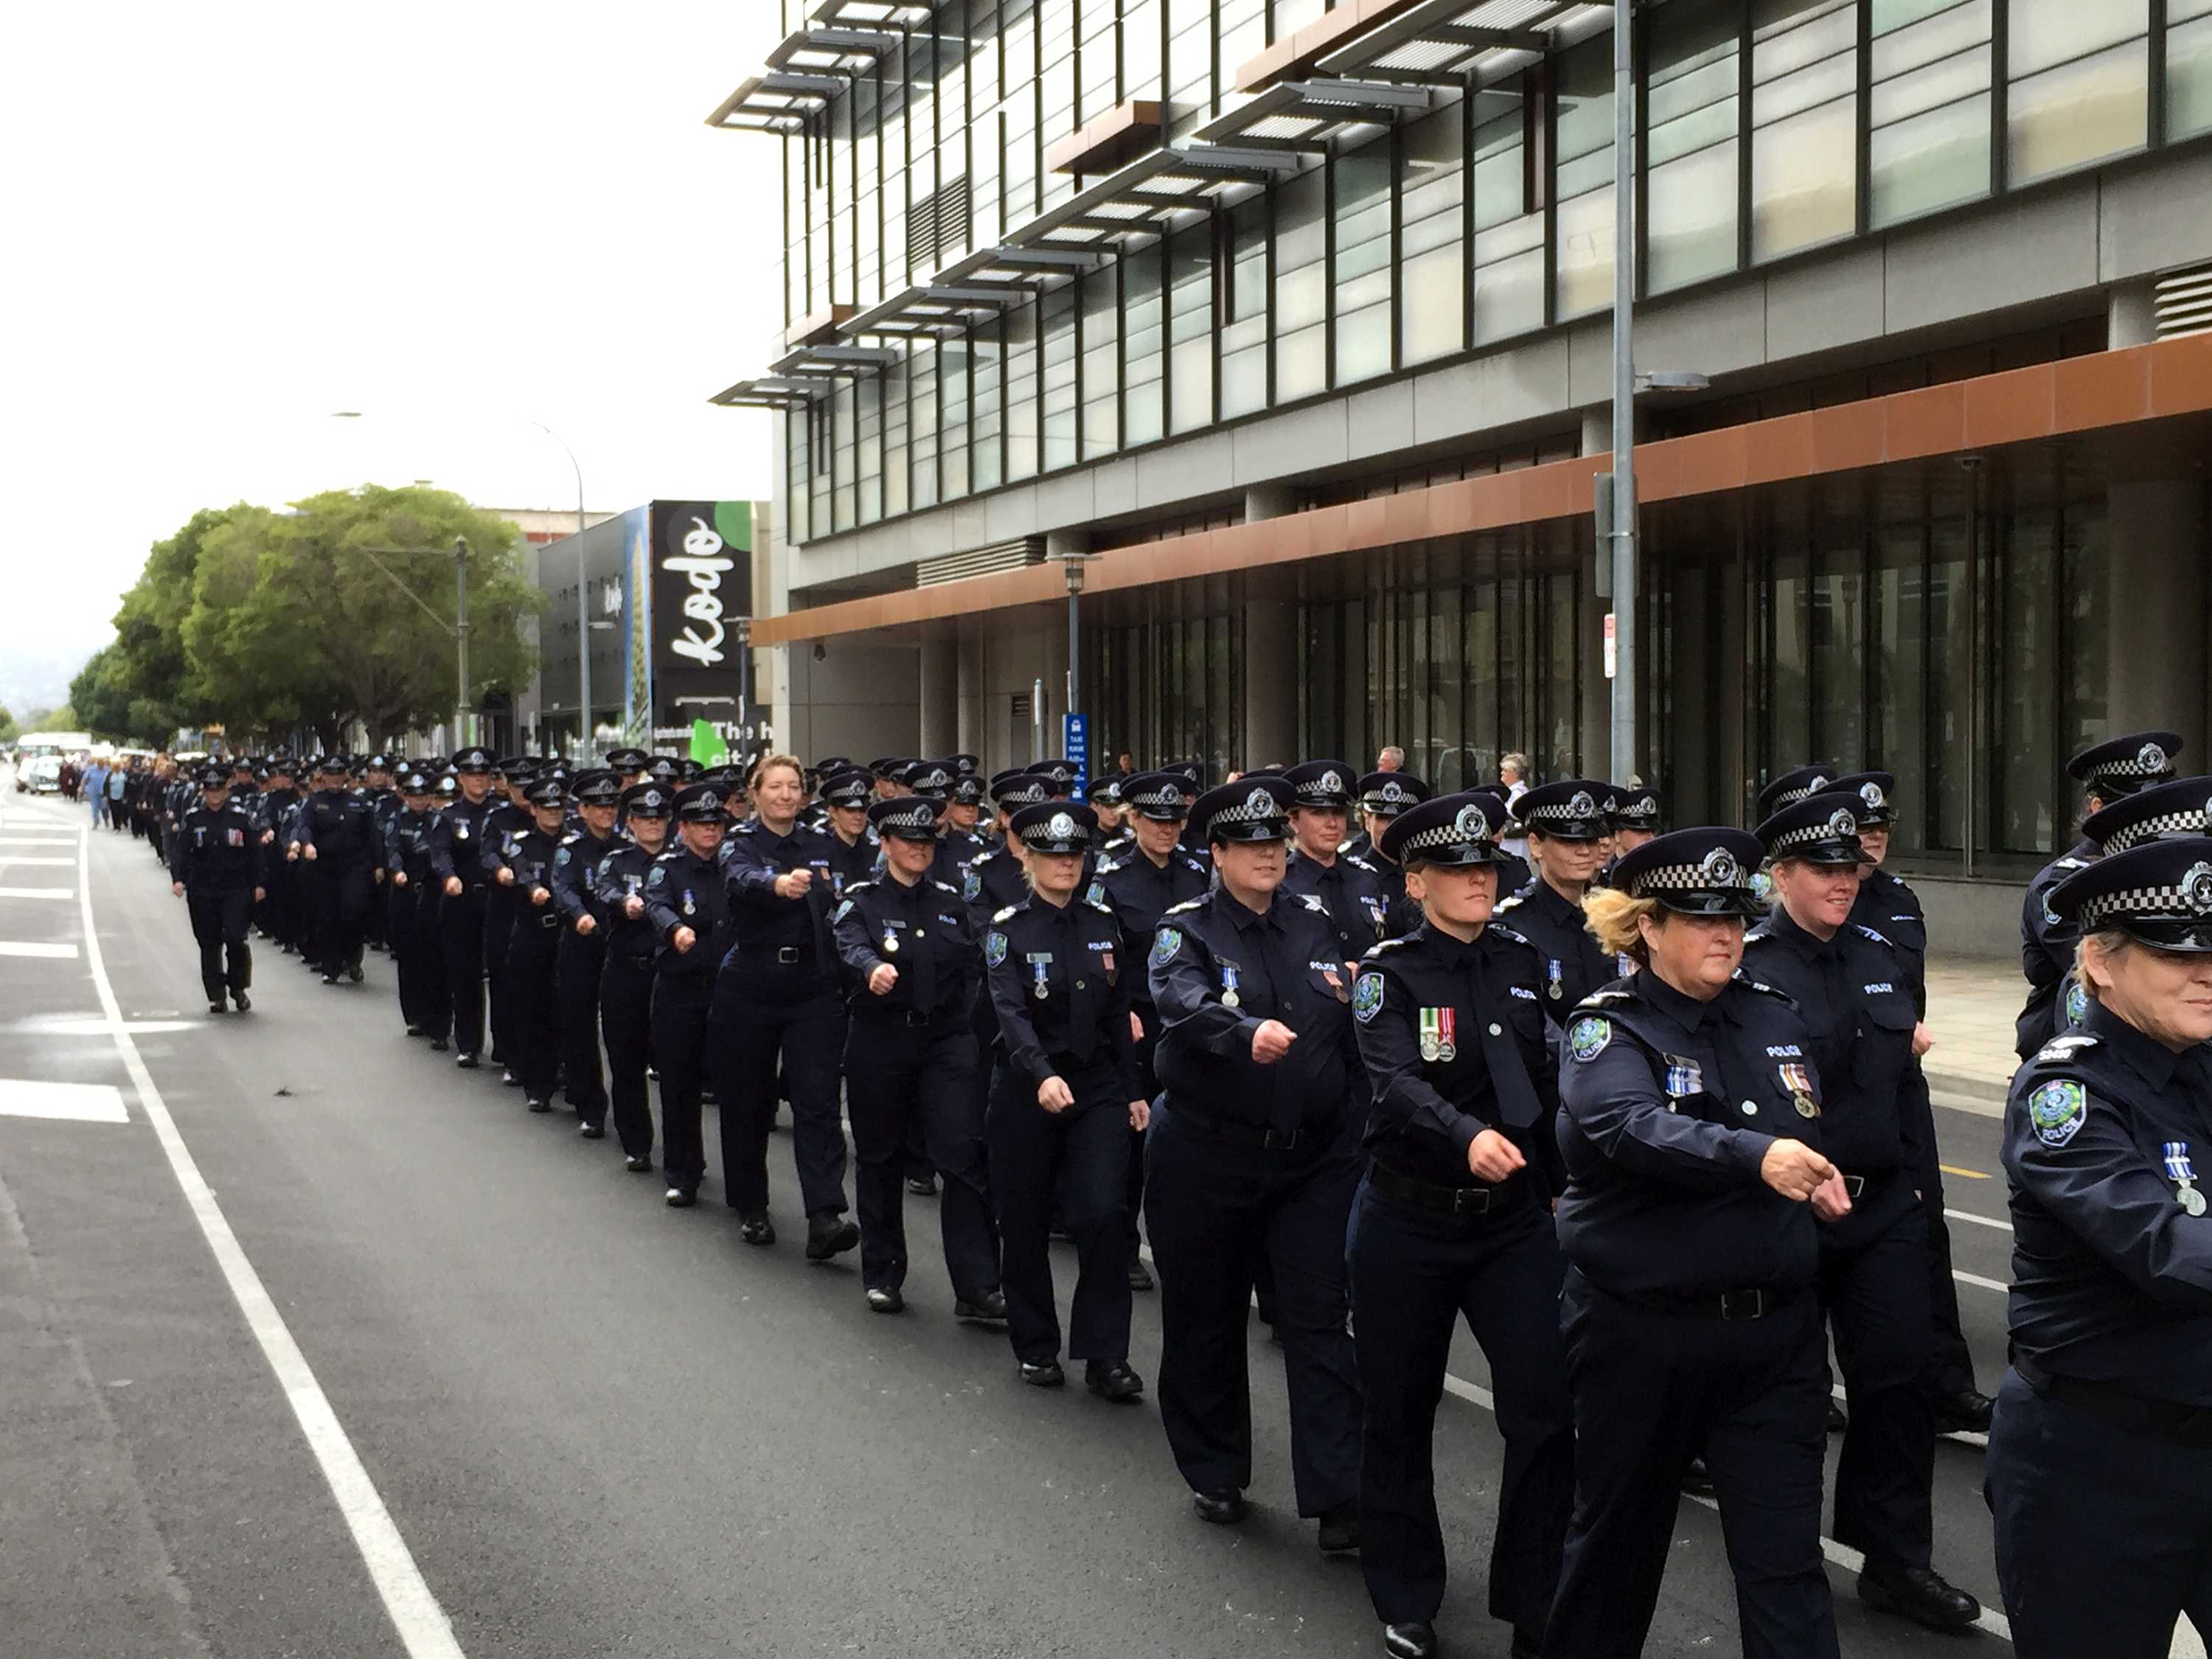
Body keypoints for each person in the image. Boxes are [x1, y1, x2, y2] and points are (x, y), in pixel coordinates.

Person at [1545, 827, 1847, 1659]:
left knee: (1786, 1567)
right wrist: (1762, 1160)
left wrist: (1818, 1176)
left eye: (1736, 918)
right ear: (1647, 927)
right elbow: (1630, 1127)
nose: (1726, 934)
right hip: (1645, 1337)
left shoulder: (1774, 1017)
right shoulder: (1609, 1030)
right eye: (1700, 919)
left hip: (1773, 1341)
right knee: (1617, 1552)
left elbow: (1804, 1126)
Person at [1744, 793, 1980, 1630]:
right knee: (1791, 1392)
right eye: (1822, 869)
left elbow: (1899, 1090)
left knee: (1899, 1379)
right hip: (1788, 1211)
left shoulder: (1878, 954)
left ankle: (1895, 1560)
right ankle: (1787, 1557)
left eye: (1850, 868)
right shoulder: (1745, 966)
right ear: (1780, 875)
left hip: (1882, 1208)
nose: (1842, 883)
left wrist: (1917, 1187)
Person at [1349, 791, 1573, 1659]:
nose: (1479, 881)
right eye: (1459, 870)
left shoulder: (1521, 961)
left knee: (1548, 1410)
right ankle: (1406, 1592)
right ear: (1418, 882)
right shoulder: (1389, 973)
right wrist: (1465, 1134)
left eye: (1487, 868)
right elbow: (1396, 1081)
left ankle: (1535, 1594)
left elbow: (1549, 1081)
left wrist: (1560, 1182)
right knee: (1399, 1412)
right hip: (1409, 1219)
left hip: (1512, 1222)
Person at [1986, 835, 2212, 1658]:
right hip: (2098, 1467)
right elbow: (2162, 1245)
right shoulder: (2067, 1094)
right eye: (2175, 953)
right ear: (2101, 961)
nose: (2207, 970)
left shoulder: (2204, 1064)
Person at [1145, 775, 1364, 1549]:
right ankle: (1216, 1469)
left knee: (1317, 1322)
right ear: (1218, 853)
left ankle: (1340, 1497)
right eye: (1252, 845)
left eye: (1276, 842)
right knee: (1205, 1315)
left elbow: (1345, 1008)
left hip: (1308, 1161)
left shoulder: (1313, 921)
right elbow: (1178, 1000)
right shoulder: (1187, 930)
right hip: (1207, 1154)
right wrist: (1244, 1035)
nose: (1269, 855)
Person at [982, 801, 1147, 1397]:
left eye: (1074, 855)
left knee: (1103, 1214)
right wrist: (1040, 1073)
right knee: (1023, 1219)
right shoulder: (1007, 930)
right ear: (1028, 856)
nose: (1065, 866)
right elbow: (1011, 1013)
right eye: (1053, 855)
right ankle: (1036, 1344)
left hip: (1097, 1085)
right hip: (1029, 1088)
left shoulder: (1103, 925)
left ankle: (1106, 1354)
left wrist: (1133, 1092)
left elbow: (1116, 1015)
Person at [833, 794, 1004, 1322]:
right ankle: (883, 1272)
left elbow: (986, 956)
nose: (918, 849)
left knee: (962, 1154)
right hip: (881, 1040)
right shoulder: (861, 901)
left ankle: (977, 1285)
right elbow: (848, 942)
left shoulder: (953, 902)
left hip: (946, 1043)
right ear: (884, 844)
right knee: (881, 1156)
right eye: (908, 841)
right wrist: (870, 969)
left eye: (926, 841)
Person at [712, 753, 855, 1255]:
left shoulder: (821, 844)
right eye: (775, 786)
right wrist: (777, 884)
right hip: (751, 982)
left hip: (812, 985)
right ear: (756, 793)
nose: (786, 795)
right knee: (749, 1101)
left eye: (793, 786)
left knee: (817, 1102)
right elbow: (740, 878)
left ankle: (825, 1216)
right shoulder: (739, 843)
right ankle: (751, 1206)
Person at [1093, 772, 1211, 1292]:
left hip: (1189, 1023)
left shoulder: (1198, 871)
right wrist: (1115, 1011)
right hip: (1137, 1023)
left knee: (1190, 1142)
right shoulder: (1112, 877)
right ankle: (1121, 1245)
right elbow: (1099, 950)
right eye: (1156, 821)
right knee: (1132, 1143)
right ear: (1133, 819)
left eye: (1175, 821)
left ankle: (1181, 1243)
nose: (1167, 830)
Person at [2017, 731, 2182, 1060]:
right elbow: (2118, 970)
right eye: (2137, 809)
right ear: (2097, 809)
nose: (2154, 819)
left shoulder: (2173, 871)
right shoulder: (2064, 884)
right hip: (2081, 1050)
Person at [643, 782, 738, 1206]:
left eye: (716, 823)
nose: (711, 832)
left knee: (736, 1088)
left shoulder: (735, 867)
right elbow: (656, 903)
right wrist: (675, 928)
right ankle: (683, 1171)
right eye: (701, 824)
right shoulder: (668, 868)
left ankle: (744, 1186)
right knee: (679, 1084)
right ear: (682, 828)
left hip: (730, 990)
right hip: (682, 988)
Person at [1495, 780, 1619, 1030]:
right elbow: (1531, 1027)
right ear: (1536, 845)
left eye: (1592, 839)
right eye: (1570, 841)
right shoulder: (1512, 926)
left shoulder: (1613, 918)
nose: (1585, 851)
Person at [594, 782, 672, 1173]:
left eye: (659, 818)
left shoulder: (680, 861)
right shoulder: (617, 862)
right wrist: (625, 903)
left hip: (670, 973)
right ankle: (637, 1143)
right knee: (626, 1061)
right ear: (631, 823)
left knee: (676, 1066)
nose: (652, 825)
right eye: (644, 818)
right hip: (627, 970)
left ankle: (682, 1155)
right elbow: (604, 889)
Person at [550, 769, 623, 1135]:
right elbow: (563, 889)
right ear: (584, 810)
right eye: (599, 806)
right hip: (582, 944)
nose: (607, 812)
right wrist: (580, 916)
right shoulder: (571, 850)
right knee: (579, 1027)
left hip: (620, 947)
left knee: (621, 1030)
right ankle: (589, 1104)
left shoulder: (627, 847)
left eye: (612, 805)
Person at [500, 775, 573, 1113]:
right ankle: (537, 1083)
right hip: (533, 932)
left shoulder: (574, 841)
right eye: (547, 808)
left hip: (567, 932)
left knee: (566, 1008)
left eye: (558, 807)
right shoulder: (522, 842)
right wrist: (534, 889)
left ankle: (567, 1073)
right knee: (532, 1008)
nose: (554, 814)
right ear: (534, 809)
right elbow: (522, 870)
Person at [169, 763, 262, 1015]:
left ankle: (238, 987)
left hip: (235, 889)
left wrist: (259, 884)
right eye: (210, 790)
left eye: (219, 789)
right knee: (209, 944)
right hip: (203, 890)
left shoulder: (242, 817)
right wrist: (178, 878)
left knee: (235, 937)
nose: (214, 795)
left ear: (226, 789)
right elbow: (180, 852)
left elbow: (255, 853)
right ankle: (216, 995)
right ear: (203, 791)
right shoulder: (193, 819)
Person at [1280, 760, 1391, 967]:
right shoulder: (1281, 881)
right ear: (1293, 822)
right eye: (1318, 813)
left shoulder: (1366, 877)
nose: (1332, 823)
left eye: (1338, 812)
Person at [428, 747, 498, 1068]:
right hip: (462, 900)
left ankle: (507, 1048)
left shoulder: (502, 815)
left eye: (483, 774)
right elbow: (441, 852)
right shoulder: (449, 816)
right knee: (465, 974)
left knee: (503, 975)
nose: (478, 781)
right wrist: (449, 877)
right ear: (461, 779)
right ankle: (469, 1043)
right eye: (472, 775)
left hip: (499, 900)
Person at [288, 755, 376, 985]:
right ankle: (331, 966)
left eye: (339, 775)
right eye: (330, 776)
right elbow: (304, 826)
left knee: (353, 911)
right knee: (326, 916)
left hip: (354, 866)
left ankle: (353, 959)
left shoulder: (359, 803)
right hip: (324, 866)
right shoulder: (314, 802)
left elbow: (372, 837)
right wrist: (308, 844)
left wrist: (378, 866)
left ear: (345, 777)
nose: (335, 780)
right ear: (323, 777)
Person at [384, 764, 451, 1047]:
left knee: (436, 958)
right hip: (407, 892)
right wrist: (397, 872)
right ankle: (415, 1015)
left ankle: (440, 1024)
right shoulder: (397, 820)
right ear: (405, 796)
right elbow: (393, 850)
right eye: (414, 796)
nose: (420, 801)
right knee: (409, 956)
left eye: (424, 795)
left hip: (435, 894)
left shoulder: (440, 821)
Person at [1498, 753, 1531, 863]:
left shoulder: (1518, 793)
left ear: (1515, 774)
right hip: (1512, 840)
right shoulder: (1512, 792)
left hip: (1515, 841)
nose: (1502, 773)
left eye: (1506, 771)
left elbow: (1515, 813)